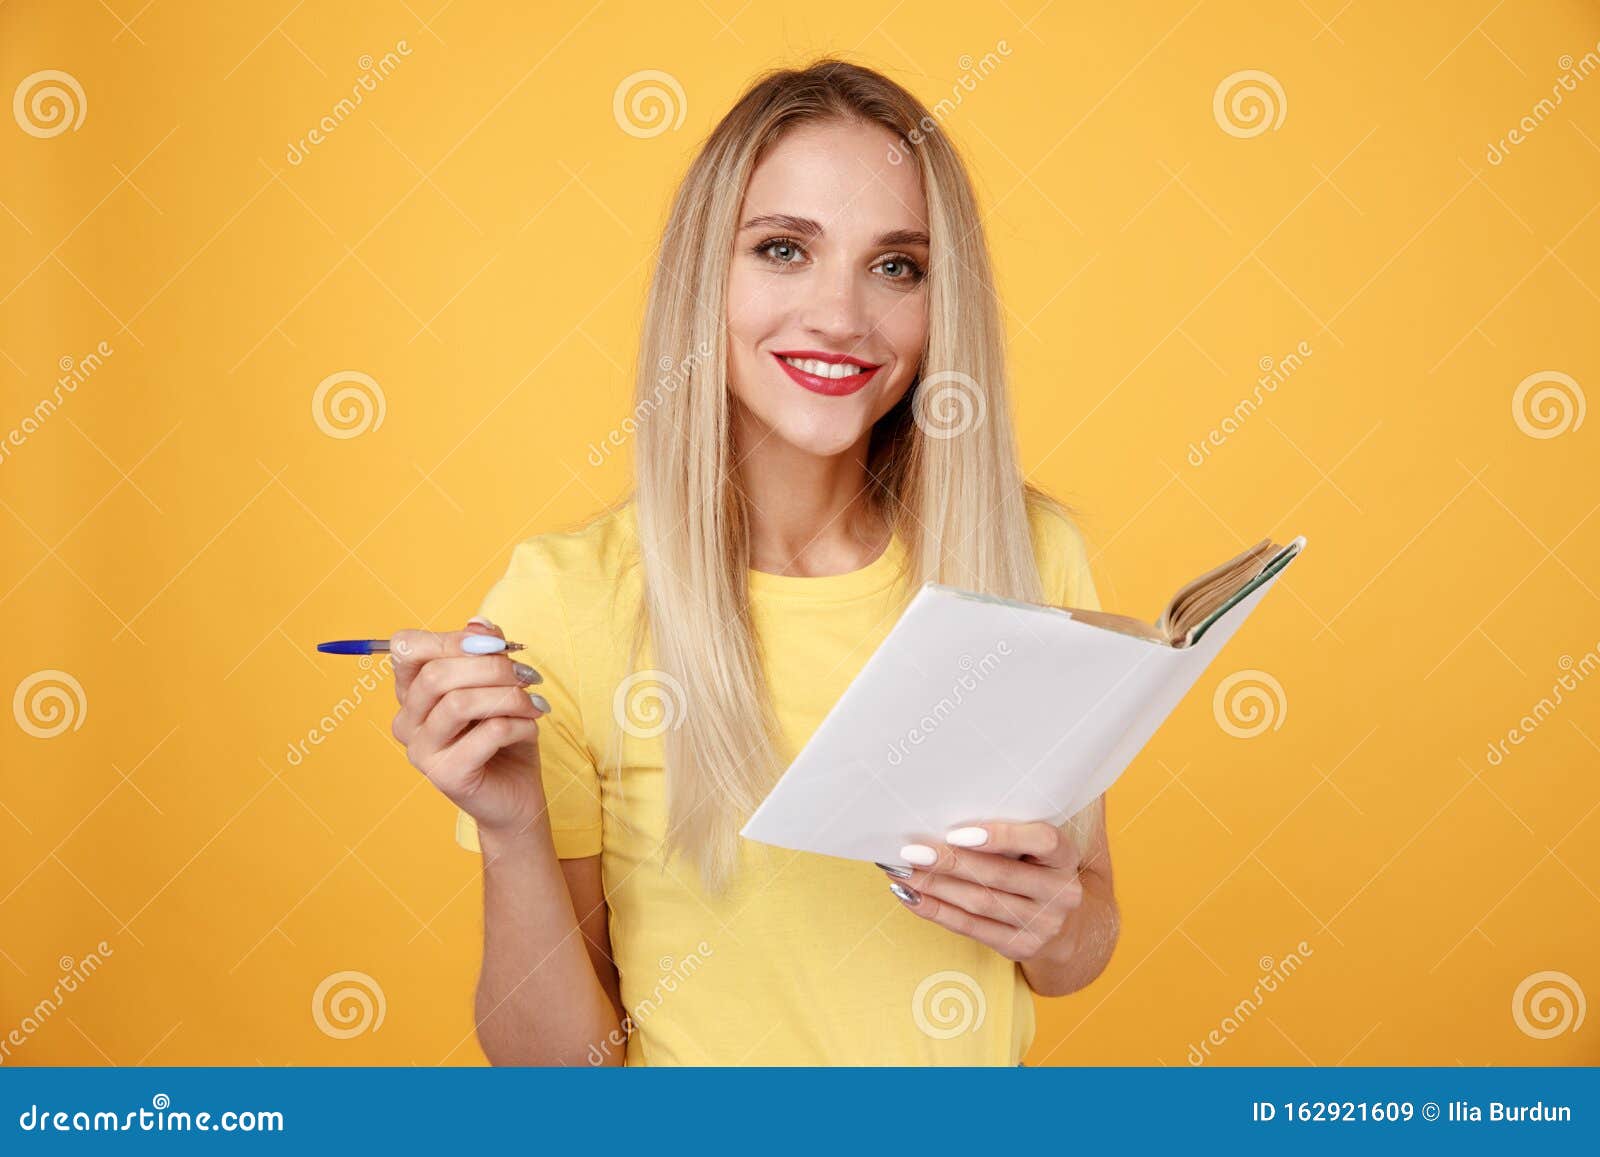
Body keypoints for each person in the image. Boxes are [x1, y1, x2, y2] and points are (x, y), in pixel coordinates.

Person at [388, 58, 1120, 1066]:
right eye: (784, 249)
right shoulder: (567, 603)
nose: (840, 316)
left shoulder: (1026, 554)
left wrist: (1055, 919)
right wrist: (513, 828)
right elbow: (556, 1076)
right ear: (705, 277)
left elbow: (1079, 948)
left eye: (896, 265)